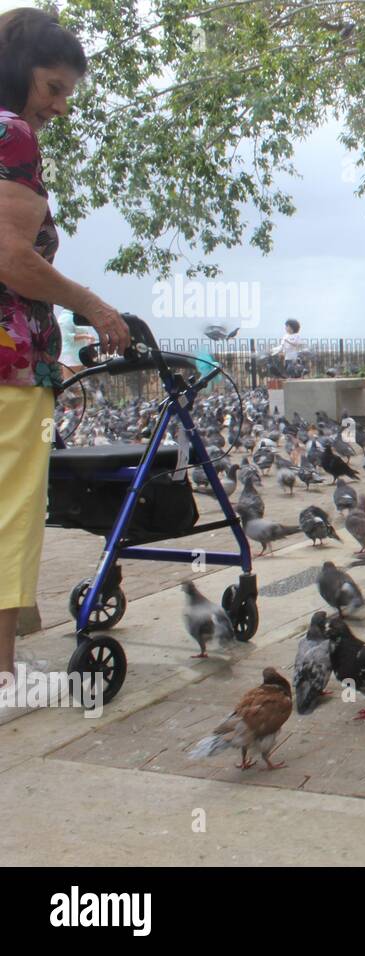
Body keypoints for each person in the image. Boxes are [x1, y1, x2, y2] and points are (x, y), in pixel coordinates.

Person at [0, 8, 128, 683]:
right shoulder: (11, 133)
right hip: (8, 367)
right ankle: (0, 672)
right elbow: (11, 258)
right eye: (54, 87)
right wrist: (94, 306)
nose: (60, 106)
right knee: (10, 511)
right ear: (20, 73)